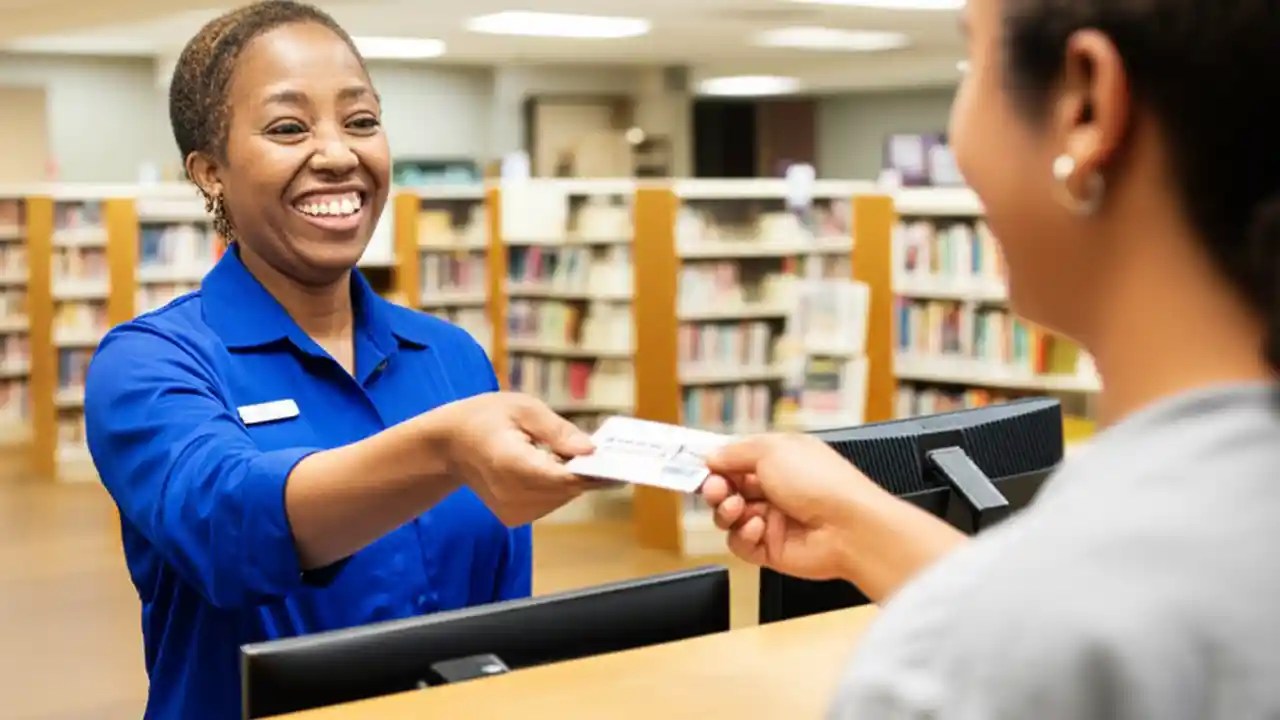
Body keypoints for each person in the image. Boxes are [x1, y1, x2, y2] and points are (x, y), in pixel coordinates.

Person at [701, 0, 1280, 717]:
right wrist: (862, 528)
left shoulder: (957, 672)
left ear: (1086, 105)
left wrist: (959, 626)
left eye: (971, 62)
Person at [83, 3, 602, 718]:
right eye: (289, 127)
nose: (338, 154)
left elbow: (501, 614)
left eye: (361, 121)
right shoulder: (150, 364)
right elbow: (227, 528)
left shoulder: (450, 357)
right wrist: (444, 449)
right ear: (210, 172)